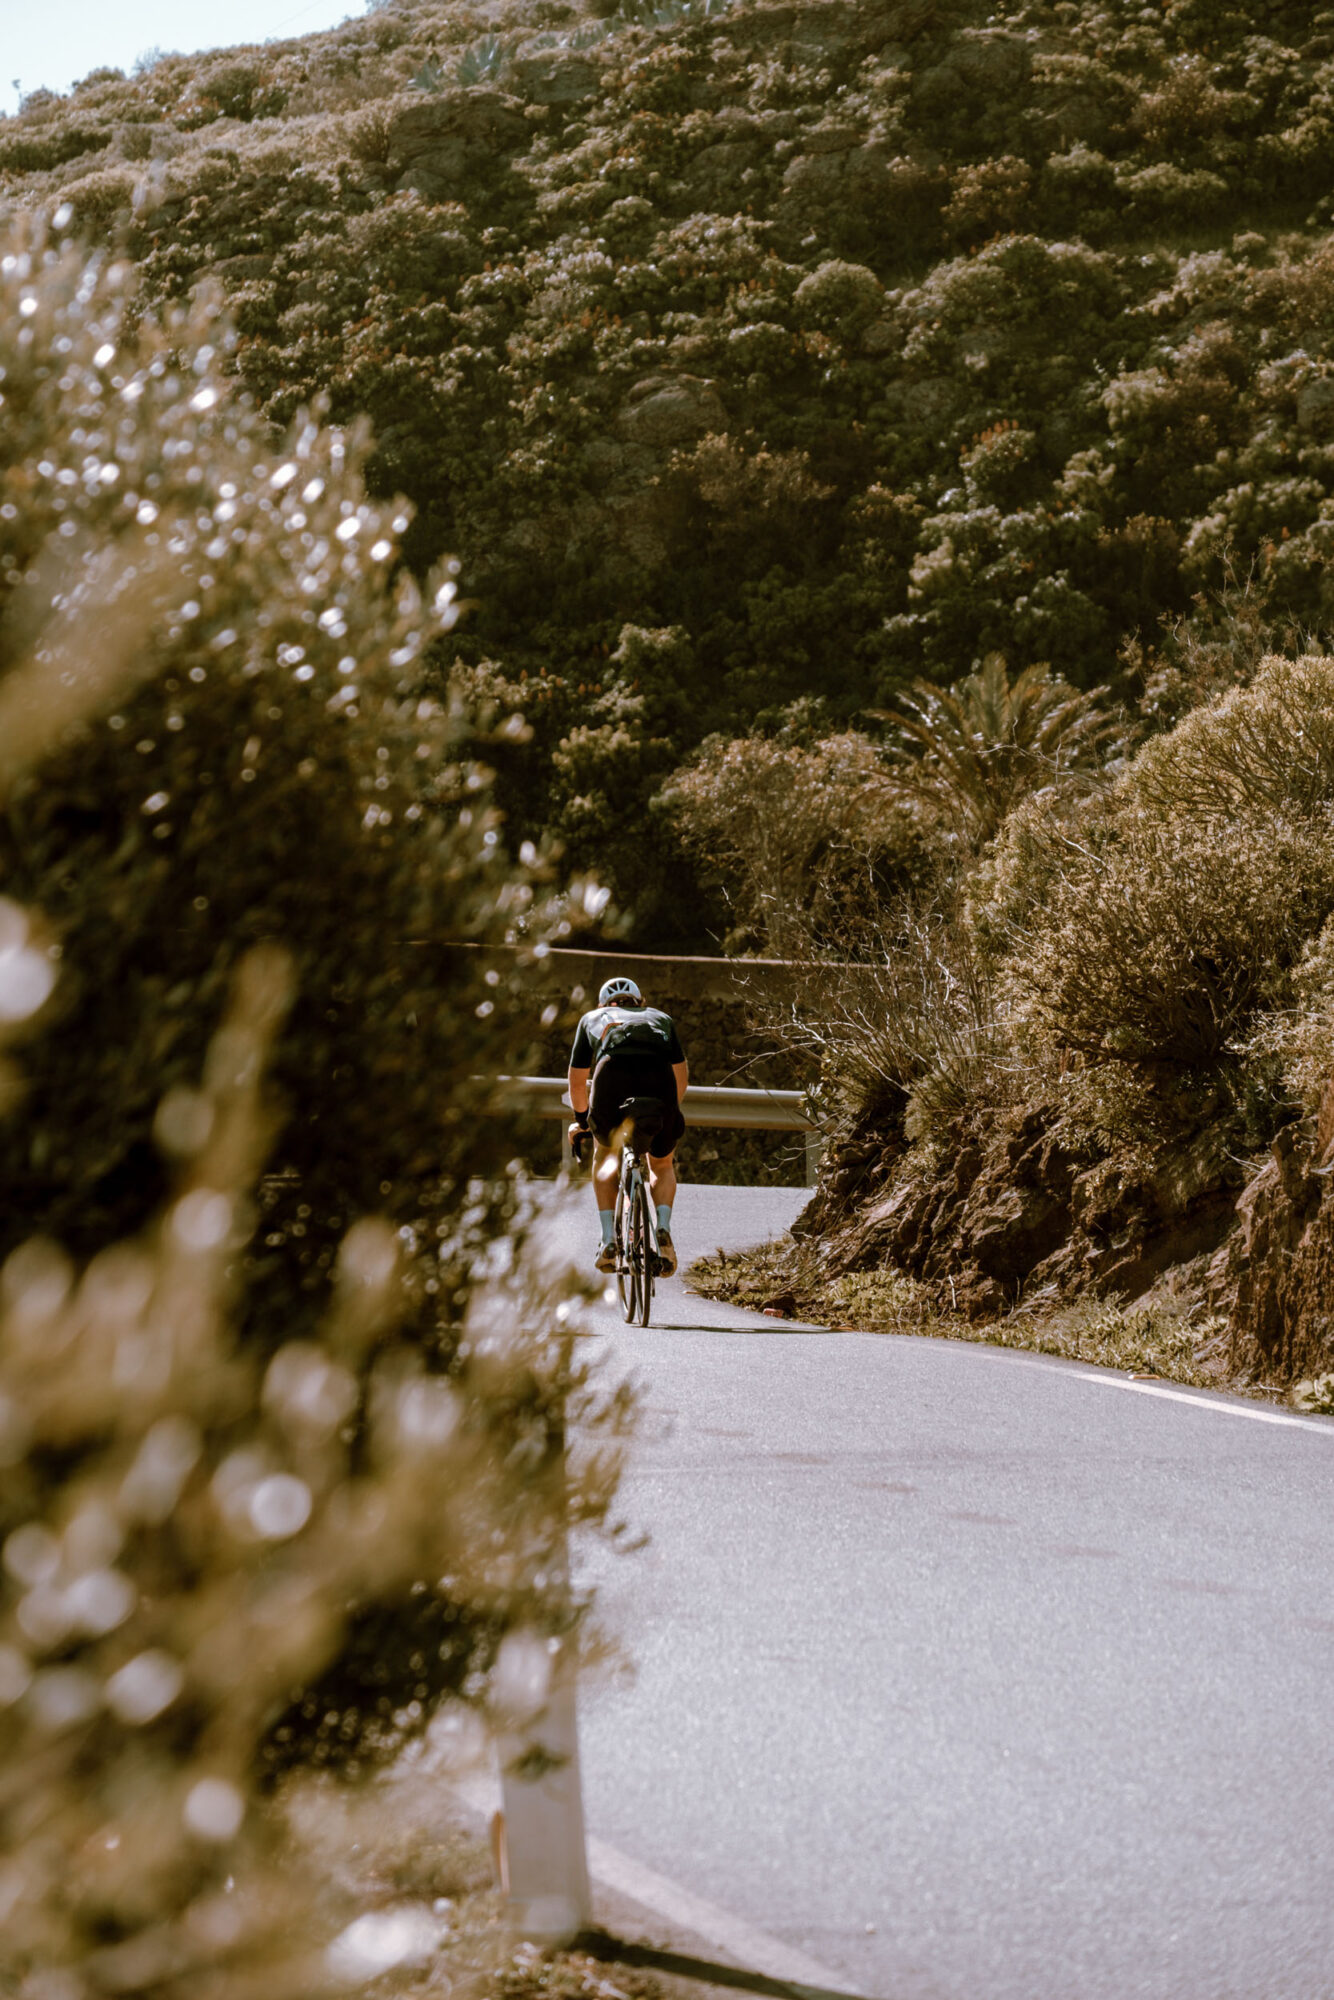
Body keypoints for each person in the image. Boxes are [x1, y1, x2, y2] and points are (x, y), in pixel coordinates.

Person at [567, 975, 688, 1276]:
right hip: (659, 1079)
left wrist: (582, 1121)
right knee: (661, 1164)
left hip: (612, 1077)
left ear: (603, 1004)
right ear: (640, 1002)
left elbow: (577, 1080)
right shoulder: (662, 1019)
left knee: (605, 1156)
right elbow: (681, 1076)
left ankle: (608, 1238)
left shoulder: (592, 1018)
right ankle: (662, 1226)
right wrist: (669, 1112)